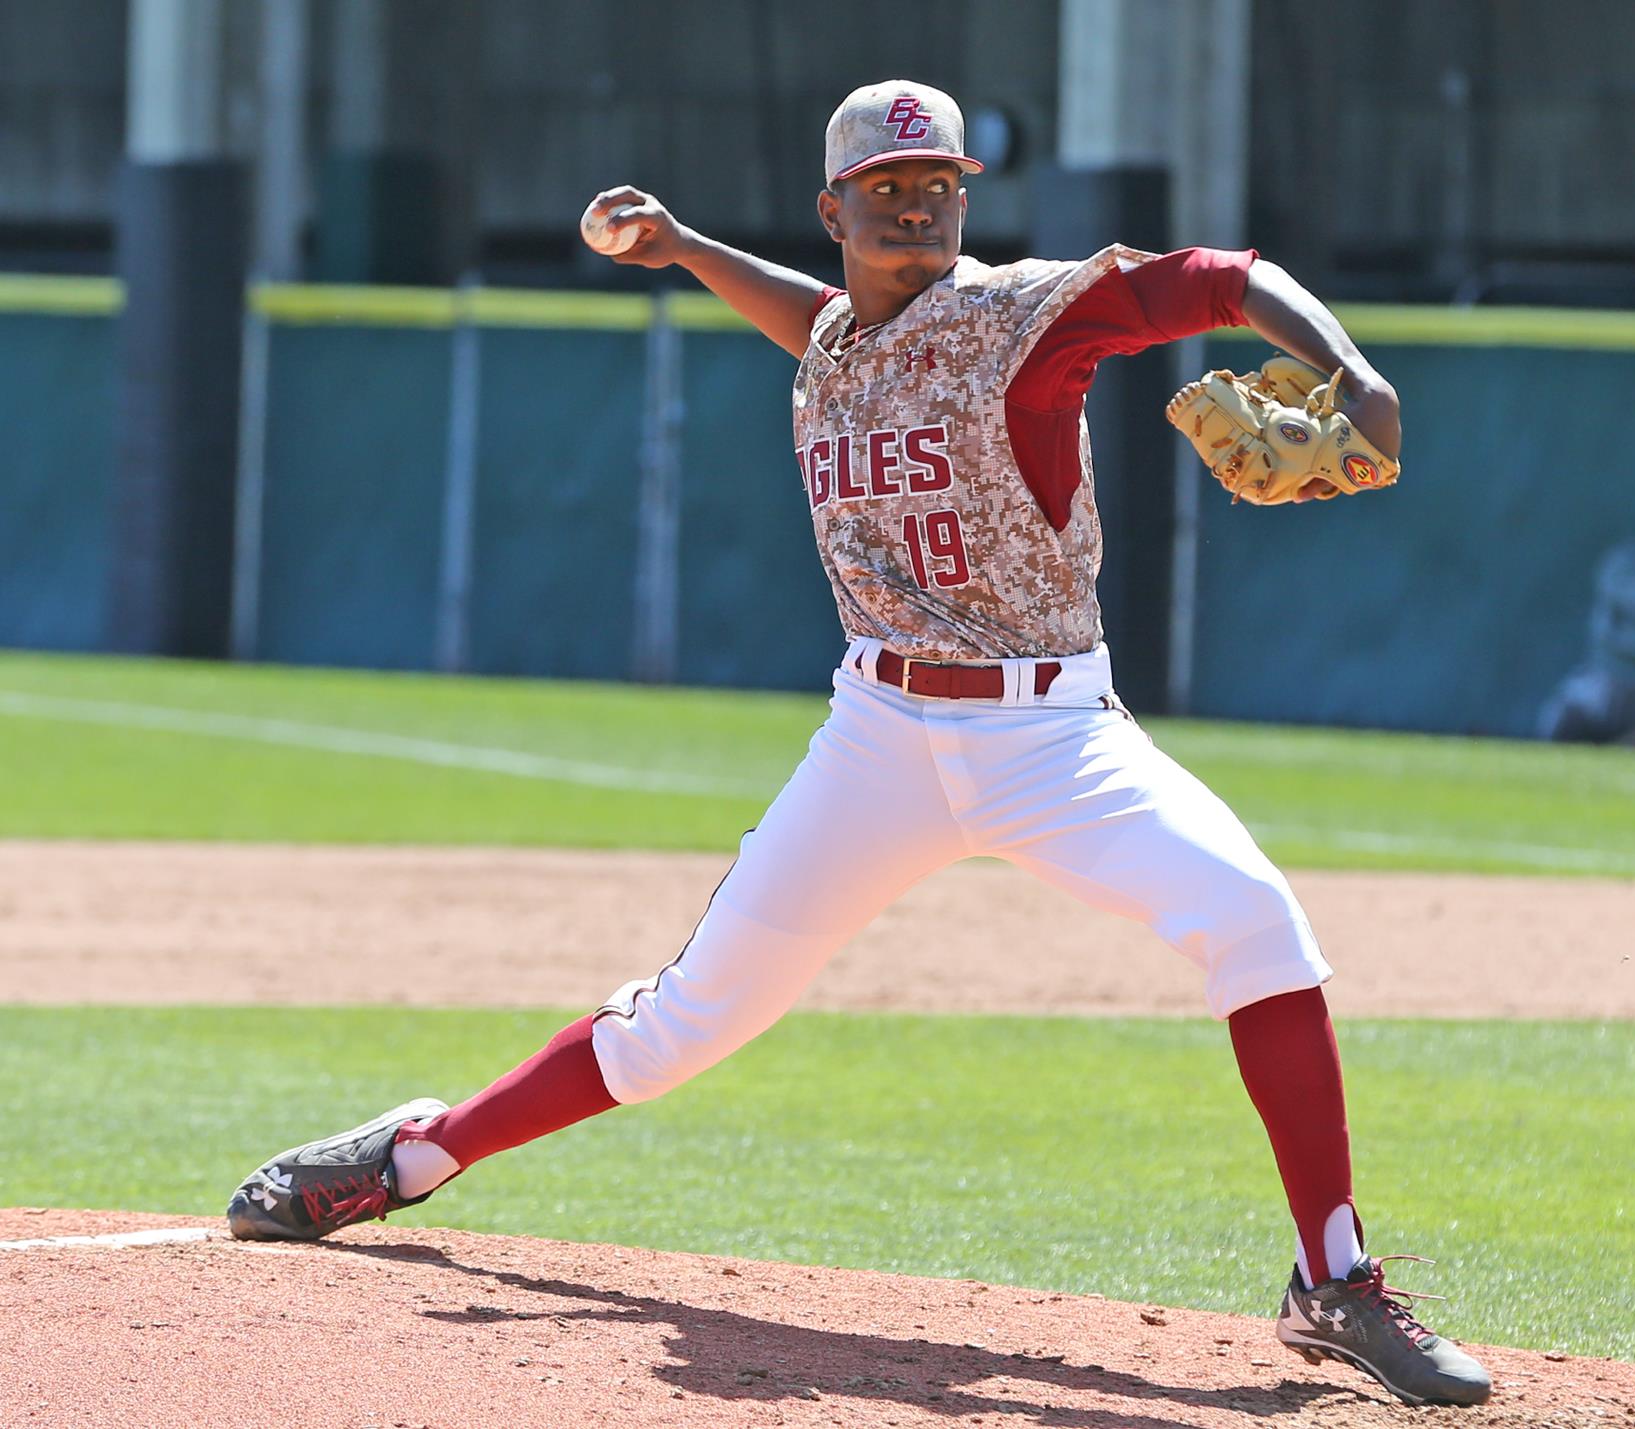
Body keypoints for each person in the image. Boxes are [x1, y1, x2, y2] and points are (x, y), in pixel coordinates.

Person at [226, 79, 1490, 1409]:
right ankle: (418, 1154)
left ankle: (1334, 1281)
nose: (918, 205)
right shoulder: (834, 335)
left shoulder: (1019, 315)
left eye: (938, 185)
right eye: (887, 189)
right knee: (681, 1029)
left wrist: (1353, 373)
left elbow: (1225, 280)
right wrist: (686, 248)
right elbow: (816, 318)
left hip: (1053, 733)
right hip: (878, 738)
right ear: (834, 209)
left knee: (1255, 922)